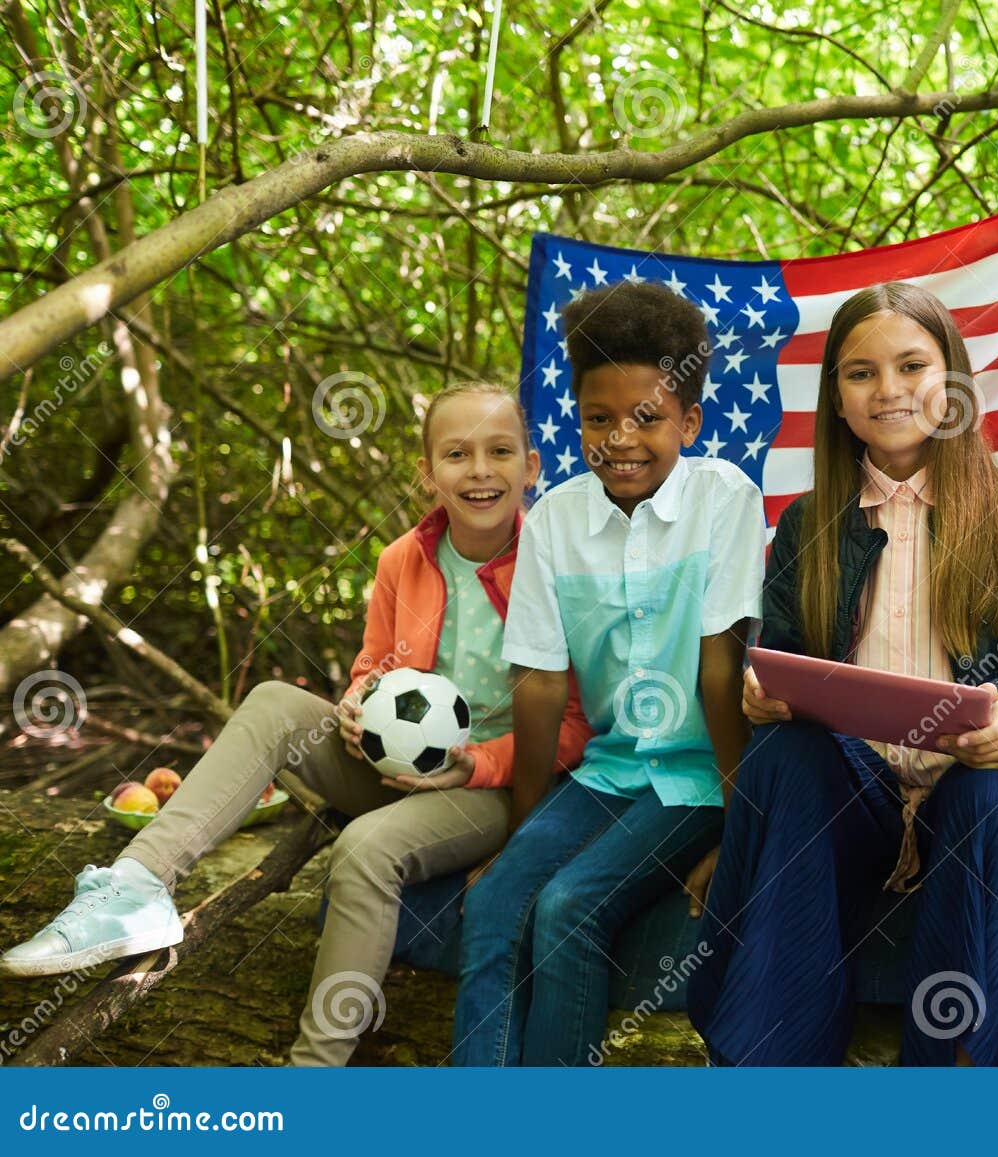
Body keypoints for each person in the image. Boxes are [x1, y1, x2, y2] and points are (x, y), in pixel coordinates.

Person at [0, 381, 590, 1066]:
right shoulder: (402, 558)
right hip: (389, 768)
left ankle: (313, 1073)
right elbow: (374, 665)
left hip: (489, 789)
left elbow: (575, 726)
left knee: (364, 850)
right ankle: (134, 887)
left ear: (532, 466)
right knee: (276, 702)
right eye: (457, 453)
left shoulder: (557, 568)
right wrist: (359, 704)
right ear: (427, 472)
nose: (480, 470)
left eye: (500, 451)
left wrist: (478, 765)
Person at [686, 281, 998, 1066]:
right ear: (837, 399)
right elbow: (786, 655)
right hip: (859, 790)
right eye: (861, 373)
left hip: (975, 784)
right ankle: (769, 1063)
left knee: (986, 796)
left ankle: (953, 1070)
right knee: (785, 754)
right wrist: (765, 696)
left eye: (912, 366)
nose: (888, 390)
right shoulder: (808, 522)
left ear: (953, 382)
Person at [450, 280, 767, 1066]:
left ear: (689, 422)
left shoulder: (724, 498)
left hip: (699, 776)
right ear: (577, 418)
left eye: (647, 418)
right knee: (495, 901)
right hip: (608, 772)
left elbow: (720, 669)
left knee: (569, 905)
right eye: (599, 418)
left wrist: (741, 832)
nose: (621, 438)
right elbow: (540, 686)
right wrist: (524, 837)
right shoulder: (555, 520)